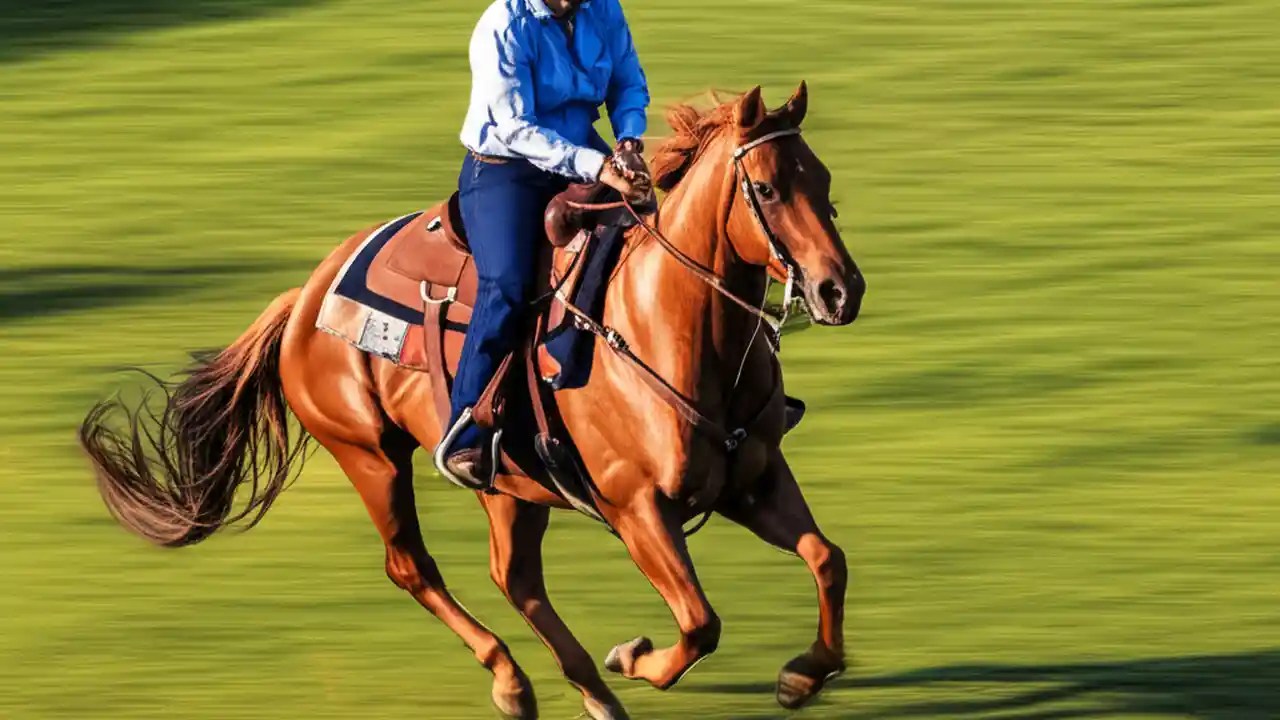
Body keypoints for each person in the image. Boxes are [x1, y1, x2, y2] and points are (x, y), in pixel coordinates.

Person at [437, 0, 653, 489]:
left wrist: (628, 141)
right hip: (507, 170)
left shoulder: (602, 9)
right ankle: (465, 429)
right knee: (507, 284)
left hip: (587, 159)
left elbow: (627, 80)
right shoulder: (504, 24)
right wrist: (598, 168)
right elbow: (516, 128)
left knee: (653, 240)